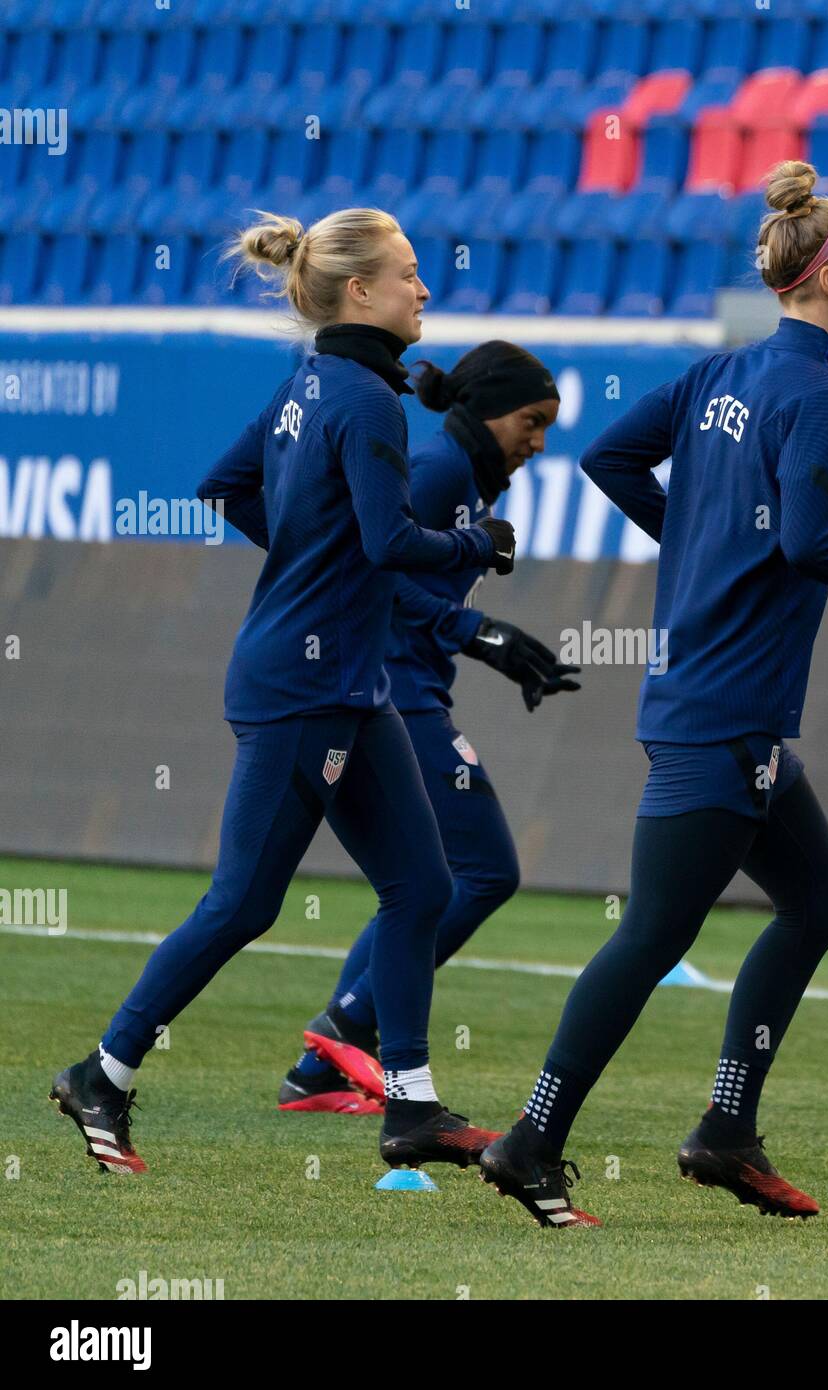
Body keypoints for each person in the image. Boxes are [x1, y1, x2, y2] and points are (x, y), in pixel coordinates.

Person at [478, 160, 828, 1229]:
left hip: (723, 709)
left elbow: (609, 457)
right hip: (726, 718)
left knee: (819, 905)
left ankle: (727, 1127)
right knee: (650, 936)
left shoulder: (718, 375)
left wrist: (696, 541)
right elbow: (813, 541)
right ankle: (533, 1136)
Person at [49, 207, 515, 1176]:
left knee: (423, 884)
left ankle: (413, 1106)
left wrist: (312, 558)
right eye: (410, 275)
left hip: (341, 677)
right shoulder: (367, 399)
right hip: (306, 687)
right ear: (361, 292)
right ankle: (104, 1069)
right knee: (243, 902)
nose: (425, 291)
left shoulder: (313, 383)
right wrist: (478, 544)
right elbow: (392, 543)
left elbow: (225, 484)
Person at [279, 342, 581, 1114]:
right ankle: (344, 1026)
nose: (539, 441)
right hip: (395, 693)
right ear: (488, 412)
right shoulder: (444, 471)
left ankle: (320, 1071)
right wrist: (480, 632)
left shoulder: (462, 477)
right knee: (484, 872)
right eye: (531, 421)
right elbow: (380, 571)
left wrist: (489, 644)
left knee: (410, 891)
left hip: (408, 689)